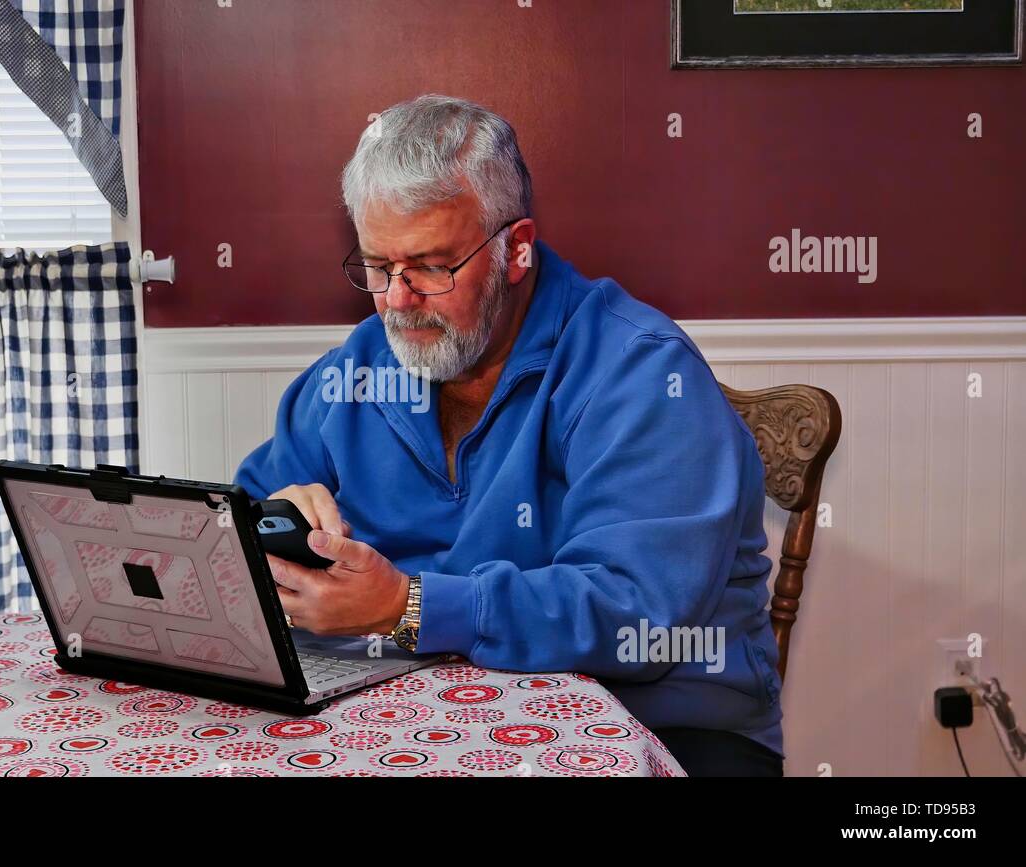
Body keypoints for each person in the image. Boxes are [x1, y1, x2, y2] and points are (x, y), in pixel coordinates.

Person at [234, 94, 783, 776]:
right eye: (379, 267)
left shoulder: (642, 371)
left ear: (516, 248)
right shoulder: (363, 365)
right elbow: (236, 516)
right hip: (430, 717)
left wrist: (407, 606)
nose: (398, 302)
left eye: (432, 266)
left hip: (664, 730)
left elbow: (637, 619)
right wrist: (272, 518)